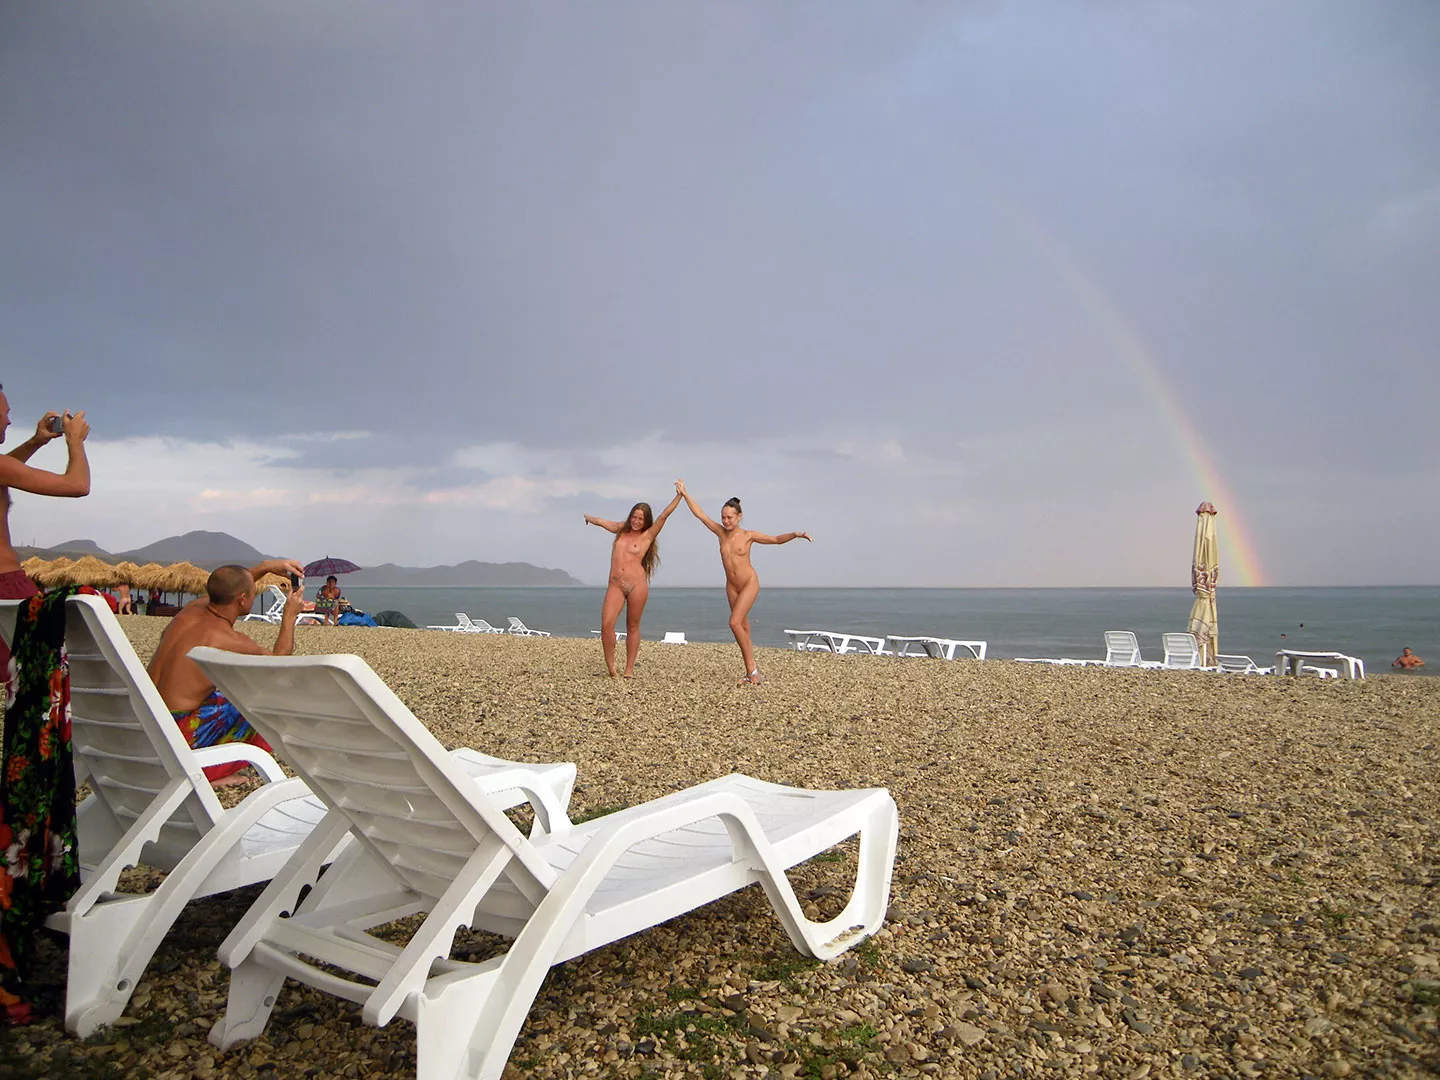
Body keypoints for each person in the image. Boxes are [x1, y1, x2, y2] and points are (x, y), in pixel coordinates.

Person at [147, 559, 306, 785]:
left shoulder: (190, 611)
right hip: (177, 738)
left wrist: (265, 567)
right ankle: (210, 773)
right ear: (242, 599)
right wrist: (289, 616)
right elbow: (278, 664)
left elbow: (226, 586)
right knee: (260, 698)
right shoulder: (228, 639)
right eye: (253, 593)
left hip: (146, 722)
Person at [675, 479, 811, 685]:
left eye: (730, 517)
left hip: (749, 583)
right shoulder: (720, 533)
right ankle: (752, 672)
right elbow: (700, 514)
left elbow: (774, 539)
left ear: (739, 516)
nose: (726, 521)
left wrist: (795, 534)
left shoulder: (748, 536)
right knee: (743, 627)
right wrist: (685, 495)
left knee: (734, 622)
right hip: (731, 586)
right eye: (723, 517)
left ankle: (753, 671)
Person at [0, 384, 90, 671]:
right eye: (5, 413)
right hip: (6, 585)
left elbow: (6, 473)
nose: (9, 421)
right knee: (40, 672)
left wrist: (36, 442)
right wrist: (75, 441)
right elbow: (77, 485)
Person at [584, 492, 682, 677]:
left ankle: (629, 669)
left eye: (641, 519)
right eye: (634, 517)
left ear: (646, 521)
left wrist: (679, 496)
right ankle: (612, 668)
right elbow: (603, 522)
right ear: (630, 517)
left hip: (637, 586)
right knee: (606, 625)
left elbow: (664, 515)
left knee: (632, 626)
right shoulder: (621, 529)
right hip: (616, 585)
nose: (636, 521)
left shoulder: (647, 536)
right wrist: (588, 518)